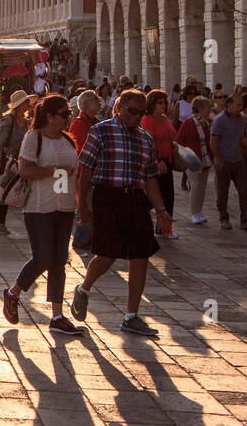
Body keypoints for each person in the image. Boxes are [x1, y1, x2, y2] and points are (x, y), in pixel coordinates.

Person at [71, 89, 176, 337]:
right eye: (132, 111)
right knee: (107, 255)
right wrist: (81, 205)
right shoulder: (101, 131)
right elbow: (84, 170)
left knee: (140, 255)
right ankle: (84, 289)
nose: (136, 117)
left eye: (141, 113)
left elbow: (150, 177)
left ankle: (131, 316)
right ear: (119, 108)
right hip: (108, 197)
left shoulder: (144, 139)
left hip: (135, 199)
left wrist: (161, 210)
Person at [1, 94, 83, 335]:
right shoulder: (33, 138)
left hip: (64, 207)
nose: (69, 117)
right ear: (50, 116)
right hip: (39, 207)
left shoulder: (67, 141)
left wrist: (81, 206)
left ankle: (57, 316)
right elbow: (26, 170)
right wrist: (54, 170)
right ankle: (13, 292)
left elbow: (72, 176)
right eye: (65, 114)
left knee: (59, 261)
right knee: (43, 258)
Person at [210, 92, 247, 230]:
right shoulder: (220, 120)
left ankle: (246, 219)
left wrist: (244, 143)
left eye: (242, 105)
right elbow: (213, 141)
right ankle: (223, 218)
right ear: (229, 104)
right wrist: (219, 160)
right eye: (238, 104)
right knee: (223, 192)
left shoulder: (240, 120)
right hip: (224, 162)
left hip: (238, 161)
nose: (241, 107)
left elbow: (240, 137)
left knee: (244, 191)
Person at [140, 89, 179, 240]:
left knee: (168, 197)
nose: (163, 105)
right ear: (152, 104)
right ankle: (136, 219)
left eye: (164, 102)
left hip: (168, 161)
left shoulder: (163, 118)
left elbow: (172, 135)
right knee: (154, 197)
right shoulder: (148, 120)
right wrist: (157, 160)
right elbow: (148, 143)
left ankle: (164, 229)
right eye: (159, 102)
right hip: (157, 163)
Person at [0, 90, 32, 233]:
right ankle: (0, 222)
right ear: (19, 105)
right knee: (5, 190)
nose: (28, 104)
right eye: (26, 102)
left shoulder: (27, 122)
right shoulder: (8, 120)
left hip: (22, 160)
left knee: (25, 190)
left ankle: (30, 222)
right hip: (7, 161)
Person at [67, 89, 101, 258]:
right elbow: (80, 149)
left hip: (96, 172)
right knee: (85, 204)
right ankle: (81, 238)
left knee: (93, 204)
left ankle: (90, 237)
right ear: (86, 104)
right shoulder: (79, 123)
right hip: (84, 172)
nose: (100, 102)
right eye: (96, 99)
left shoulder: (97, 121)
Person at [176, 95, 214, 226]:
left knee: (202, 186)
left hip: (205, 158)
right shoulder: (189, 122)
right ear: (201, 108)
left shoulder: (207, 122)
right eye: (207, 107)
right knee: (196, 185)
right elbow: (179, 140)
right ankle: (194, 213)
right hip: (192, 159)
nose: (210, 110)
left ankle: (199, 211)